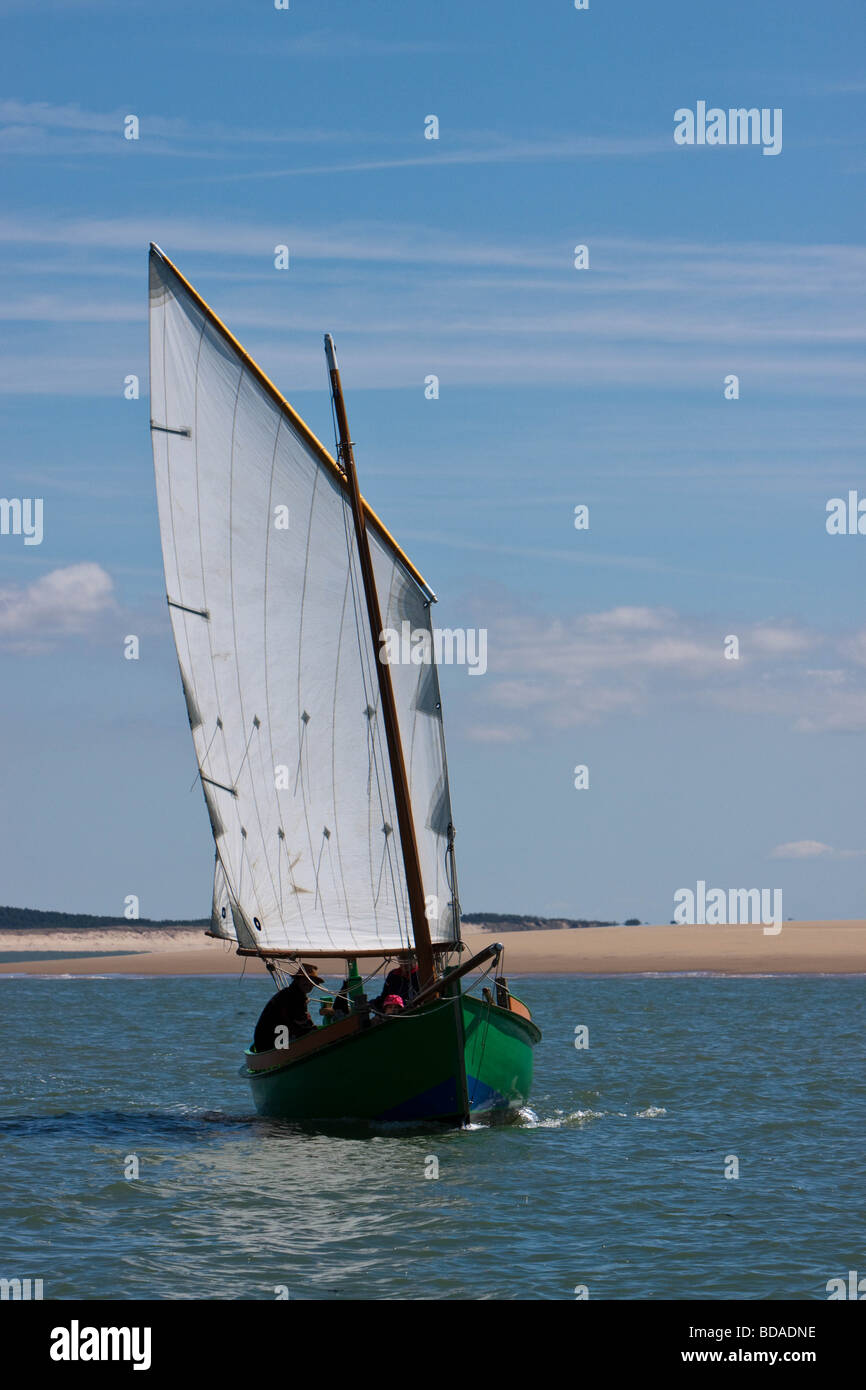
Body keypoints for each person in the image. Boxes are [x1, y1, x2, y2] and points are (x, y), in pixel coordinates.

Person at [253, 963, 324, 1053]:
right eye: (305, 979)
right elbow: (301, 1025)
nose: (309, 983)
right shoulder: (293, 997)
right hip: (269, 1045)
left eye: (312, 981)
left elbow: (302, 1023)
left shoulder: (291, 993)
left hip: (265, 1043)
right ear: (298, 980)